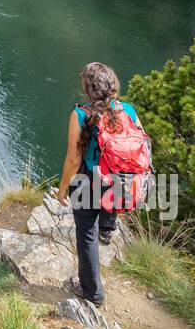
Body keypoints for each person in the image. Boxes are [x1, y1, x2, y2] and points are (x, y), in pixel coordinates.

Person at [54, 61, 143, 307]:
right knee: (111, 184)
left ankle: (92, 291)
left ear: (88, 88)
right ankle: (108, 228)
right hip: (120, 181)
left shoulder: (81, 114)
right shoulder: (127, 110)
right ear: (113, 86)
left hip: (89, 182)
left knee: (86, 233)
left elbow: (73, 159)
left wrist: (63, 188)